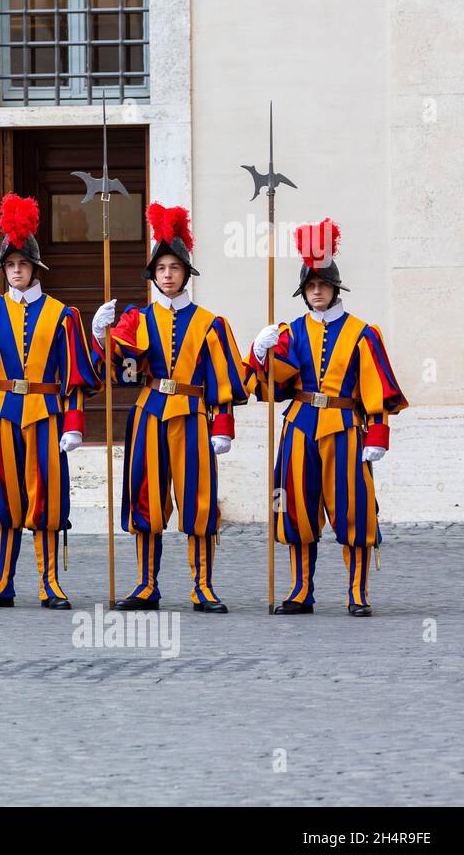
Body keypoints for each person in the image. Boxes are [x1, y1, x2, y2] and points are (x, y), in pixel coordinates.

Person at [0, 193, 99, 608]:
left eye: (22, 264)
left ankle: (49, 583)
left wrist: (75, 422)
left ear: (35, 267)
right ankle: (1, 581)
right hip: (3, 410)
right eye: (10, 265)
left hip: (46, 413)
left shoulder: (63, 315)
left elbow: (76, 373)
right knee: (4, 493)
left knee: (46, 494)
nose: (16, 271)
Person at [91, 203, 249, 612]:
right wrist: (101, 334)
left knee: (199, 499)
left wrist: (223, 426)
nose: (167, 274)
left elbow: (223, 377)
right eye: (160, 268)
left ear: (185, 273)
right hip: (148, 413)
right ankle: (146, 585)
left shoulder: (210, 322)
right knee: (145, 496)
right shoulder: (136, 319)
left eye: (173, 268)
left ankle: (203, 586)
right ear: (153, 274)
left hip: (193, 416)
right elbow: (117, 366)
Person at [247, 218, 407, 616]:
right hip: (299, 425)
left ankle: (357, 593)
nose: (315, 291)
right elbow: (270, 388)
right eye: (309, 286)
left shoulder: (362, 333)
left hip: (345, 428)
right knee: (295, 508)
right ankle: (301, 591)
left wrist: (378, 436)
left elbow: (379, 388)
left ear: (335, 288)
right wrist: (261, 352)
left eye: (321, 284)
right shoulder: (291, 331)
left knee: (354, 508)